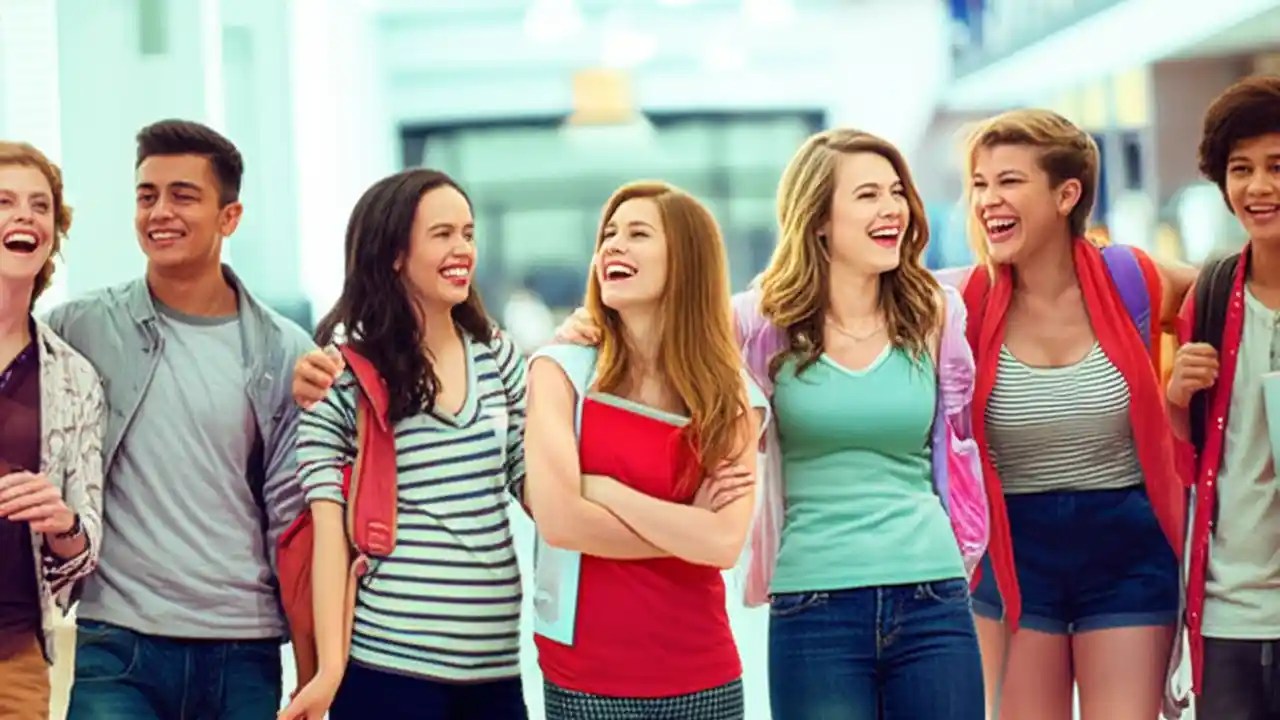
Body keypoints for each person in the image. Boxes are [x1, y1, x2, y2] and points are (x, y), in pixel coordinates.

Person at [555, 130, 986, 719]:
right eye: (867, 195)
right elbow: (668, 347)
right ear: (819, 220)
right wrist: (591, 327)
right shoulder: (756, 322)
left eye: (896, 193)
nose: (892, 208)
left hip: (933, 595)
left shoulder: (934, 312)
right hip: (814, 605)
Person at [46, 120, 314, 720]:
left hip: (243, 649)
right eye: (147, 195)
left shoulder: (284, 352)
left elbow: (297, 520)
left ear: (230, 217)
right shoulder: (81, 328)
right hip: (117, 643)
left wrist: (315, 668)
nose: (159, 212)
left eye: (183, 195)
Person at [958, 108, 1192, 720]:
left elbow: (1245, 296)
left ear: (1067, 194)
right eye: (979, 184)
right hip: (1013, 553)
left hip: (1127, 549)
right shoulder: (966, 302)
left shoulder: (1130, 279)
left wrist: (1183, 393)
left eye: (1009, 181)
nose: (987, 200)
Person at [283, 169, 529, 720]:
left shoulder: (498, 357)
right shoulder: (341, 374)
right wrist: (328, 670)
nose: (462, 248)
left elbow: (538, 485)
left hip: (497, 669)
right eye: (442, 234)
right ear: (395, 253)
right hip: (389, 670)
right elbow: (328, 533)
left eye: (468, 233)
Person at [526, 181, 767, 719]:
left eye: (638, 234)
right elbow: (562, 523)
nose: (613, 246)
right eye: (608, 235)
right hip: (583, 681)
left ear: (686, 261)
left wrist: (604, 490)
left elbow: (724, 544)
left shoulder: (730, 396)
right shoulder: (557, 372)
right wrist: (687, 528)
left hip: (702, 676)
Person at [1166, 74, 1280, 719]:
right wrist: (1177, 399)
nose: (1258, 187)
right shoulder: (1210, 297)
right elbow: (1184, 462)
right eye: (1242, 169)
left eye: (1277, 166)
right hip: (1229, 612)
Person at [0, 142, 105, 720]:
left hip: (14, 655)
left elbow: (80, 557)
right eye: (5, 201)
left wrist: (61, 521)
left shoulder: (74, 378)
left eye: (40, 206)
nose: (25, 216)